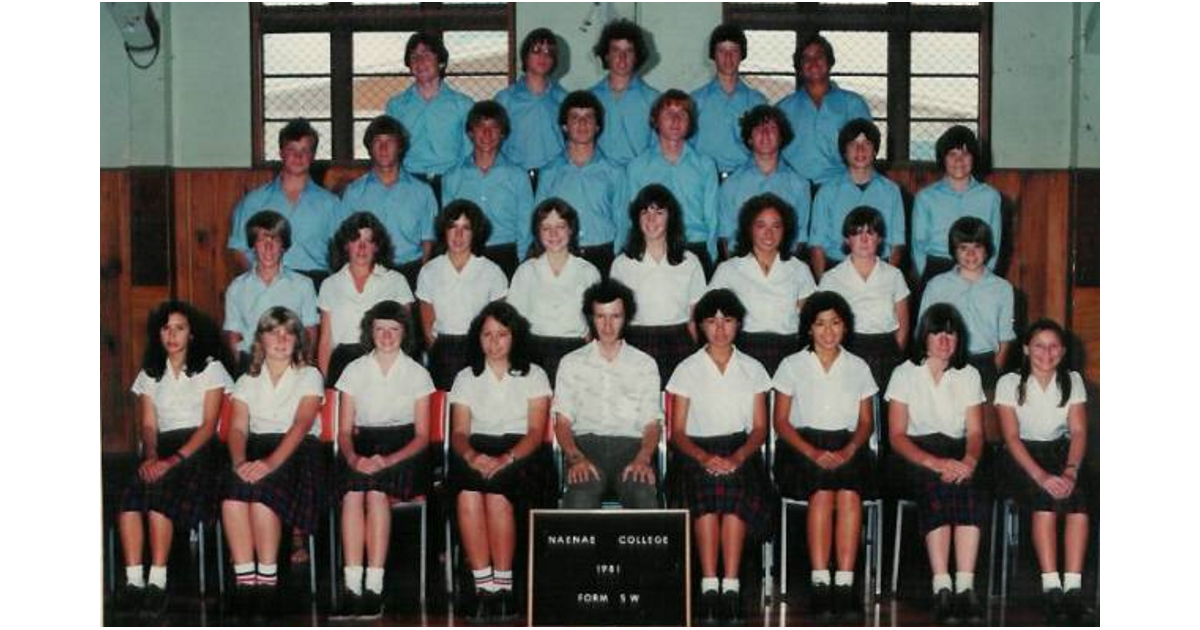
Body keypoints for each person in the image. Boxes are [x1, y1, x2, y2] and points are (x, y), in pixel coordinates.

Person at [115, 301, 232, 619]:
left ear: (191, 334)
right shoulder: (150, 372)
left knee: (158, 500)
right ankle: (134, 582)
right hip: (161, 448)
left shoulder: (211, 368)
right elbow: (150, 426)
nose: (172, 335)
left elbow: (209, 426)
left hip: (198, 449)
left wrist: (172, 461)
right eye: (166, 328)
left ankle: (157, 581)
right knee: (130, 499)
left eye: (179, 328)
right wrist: (152, 456)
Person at [666, 289, 773, 624]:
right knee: (705, 496)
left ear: (738, 324)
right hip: (695, 452)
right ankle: (708, 585)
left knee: (736, 494)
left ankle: (732, 585)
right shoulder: (686, 368)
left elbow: (759, 429)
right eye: (711, 321)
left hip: (740, 450)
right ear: (700, 326)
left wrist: (737, 458)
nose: (720, 328)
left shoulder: (753, 368)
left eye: (727, 321)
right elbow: (677, 433)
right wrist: (704, 458)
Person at [448, 301, 556, 621]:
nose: (494, 343)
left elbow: (536, 432)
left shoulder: (534, 374)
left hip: (521, 450)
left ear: (515, 337)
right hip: (475, 447)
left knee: (497, 494)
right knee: (467, 494)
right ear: (477, 338)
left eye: (502, 334)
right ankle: (483, 586)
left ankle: (504, 585)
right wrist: (472, 456)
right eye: (487, 335)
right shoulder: (466, 376)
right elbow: (458, 432)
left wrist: (507, 458)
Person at [772, 291, 876, 618]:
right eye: (820, 324)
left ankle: (844, 585)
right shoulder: (791, 365)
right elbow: (781, 422)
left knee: (848, 494)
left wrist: (848, 450)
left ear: (845, 328)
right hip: (800, 447)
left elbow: (866, 422)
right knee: (820, 491)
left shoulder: (859, 366)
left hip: (849, 446)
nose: (828, 331)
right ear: (808, 329)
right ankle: (819, 583)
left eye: (835, 323)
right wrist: (812, 451)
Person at [885, 303, 986, 624]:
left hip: (958, 450)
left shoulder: (968, 374)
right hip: (915, 452)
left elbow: (975, 431)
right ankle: (942, 585)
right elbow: (897, 436)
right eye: (937, 332)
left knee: (970, 488)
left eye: (951, 333)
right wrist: (933, 462)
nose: (944, 340)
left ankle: (965, 588)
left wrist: (969, 460)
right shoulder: (904, 373)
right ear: (924, 337)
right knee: (936, 487)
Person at [332, 301, 434, 619]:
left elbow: (422, 437)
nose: (386, 336)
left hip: (405, 450)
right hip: (362, 445)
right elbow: (345, 432)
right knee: (351, 492)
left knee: (376, 492)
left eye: (394, 329)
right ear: (370, 332)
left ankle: (374, 588)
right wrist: (352, 458)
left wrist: (387, 461)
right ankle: (352, 587)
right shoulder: (353, 370)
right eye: (380, 329)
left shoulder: (417, 373)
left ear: (405, 333)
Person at [222, 307, 326, 614]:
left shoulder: (309, 375)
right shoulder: (247, 379)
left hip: (296, 449)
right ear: (261, 340)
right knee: (233, 497)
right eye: (273, 332)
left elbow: (301, 425)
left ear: (298, 340)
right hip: (254, 447)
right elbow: (238, 428)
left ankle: (268, 583)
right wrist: (240, 463)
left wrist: (269, 464)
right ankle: (245, 583)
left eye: (288, 332)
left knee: (264, 496)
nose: (281, 339)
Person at [996, 319, 1091, 623]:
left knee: (1078, 502)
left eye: (1053, 346)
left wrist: (1071, 472)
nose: (1046, 353)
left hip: (1060, 453)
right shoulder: (1009, 383)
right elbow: (1010, 437)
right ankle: (1051, 587)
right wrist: (1042, 476)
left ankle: (1072, 589)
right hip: (1021, 456)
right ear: (1026, 348)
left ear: (1062, 351)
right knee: (1045, 502)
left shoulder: (1072, 380)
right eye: (1039, 345)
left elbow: (1077, 432)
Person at [553, 279, 662, 509]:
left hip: (632, 447)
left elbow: (652, 424)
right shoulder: (571, 363)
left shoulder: (645, 364)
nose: (608, 326)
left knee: (643, 495)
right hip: (585, 446)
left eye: (615, 316)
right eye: (600, 316)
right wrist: (575, 458)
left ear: (626, 318)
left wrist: (643, 458)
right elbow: (562, 423)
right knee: (580, 496)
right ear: (591, 318)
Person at [920, 216, 1014, 441]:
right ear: (954, 251)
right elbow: (923, 332)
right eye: (963, 248)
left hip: (985, 363)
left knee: (987, 433)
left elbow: (1005, 338)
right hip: (947, 363)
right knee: (949, 429)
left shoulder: (1002, 288)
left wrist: (994, 368)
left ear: (988, 250)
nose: (971, 254)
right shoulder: (937, 285)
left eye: (977, 247)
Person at [609, 184, 706, 388]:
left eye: (659, 212)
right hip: (636, 341)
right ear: (637, 218)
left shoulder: (690, 261)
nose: (651, 219)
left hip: (679, 341)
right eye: (645, 212)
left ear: (671, 218)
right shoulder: (622, 263)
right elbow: (616, 317)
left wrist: (698, 355)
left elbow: (694, 318)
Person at [709, 193, 816, 375]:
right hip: (743, 352)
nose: (768, 233)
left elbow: (810, 320)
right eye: (761, 225)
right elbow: (710, 317)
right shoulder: (728, 269)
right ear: (749, 229)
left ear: (785, 230)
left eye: (776, 226)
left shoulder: (800, 269)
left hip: (789, 353)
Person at [226, 119, 339, 284]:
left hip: (316, 283)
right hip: (267, 281)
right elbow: (238, 248)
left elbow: (342, 250)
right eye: (291, 149)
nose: (298, 156)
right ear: (281, 153)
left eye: (305, 150)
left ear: (313, 156)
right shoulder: (254, 202)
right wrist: (260, 280)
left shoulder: (331, 204)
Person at [623, 89, 721, 274]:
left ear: (690, 122)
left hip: (694, 246)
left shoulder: (705, 165)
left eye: (682, 114)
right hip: (652, 249)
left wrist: (710, 256)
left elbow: (712, 217)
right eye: (668, 113)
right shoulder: (637, 167)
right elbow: (633, 217)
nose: (676, 120)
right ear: (655, 120)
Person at [416, 200, 509, 391]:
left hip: (479, 349)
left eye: (466, 228)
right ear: (444, 230)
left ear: (475, 233)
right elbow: (427, 327)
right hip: (444, 351)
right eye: (453, 227)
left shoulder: (491, 271)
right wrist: (440, 351)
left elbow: (500, 322)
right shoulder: (429, 270)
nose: (458, 235)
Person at [337, 115, 438, 289]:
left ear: (400, 147)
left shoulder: (422, 191)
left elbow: (428, 240)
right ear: (369, 148)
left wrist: (421, 276)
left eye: (390, 141)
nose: (383, 148)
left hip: (410, 271)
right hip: (368, 271)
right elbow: (345, 240)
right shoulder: (354, 192)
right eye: (377, 141)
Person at [507, 198, 601, 384]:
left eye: (560, 226)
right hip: (535, 353)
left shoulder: (588, 272)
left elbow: (595, 324)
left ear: (571, 229)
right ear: (537, 232)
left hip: (576, 352)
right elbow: (514, 324)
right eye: (546, 228)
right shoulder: (526, 271)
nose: (554, 234)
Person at [316, 212, 415, 386]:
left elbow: (405, 335)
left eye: (368, 241)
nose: (362, 248)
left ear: (376, 246)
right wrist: (324, 382)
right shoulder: (330, 284)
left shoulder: (396, 281)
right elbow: (325, 340)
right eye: (356, 241)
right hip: (342, 364)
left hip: (383, 360)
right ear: (346, 245)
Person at [817, 206, 910, 390]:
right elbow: (822, 323)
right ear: (847, 239)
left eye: (871, 232)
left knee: (884, 413)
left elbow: (903, 323)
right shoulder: (831, 278)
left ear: (880, 238)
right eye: (857, 233)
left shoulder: (894, 275)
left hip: (886, 352)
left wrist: (895, 353)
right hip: (848, 350)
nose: (865, 239)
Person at [441, 100, 535, 279]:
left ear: (502, 133)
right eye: (480, 126)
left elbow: (526, 223)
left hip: (506, 253)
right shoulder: (452, 176)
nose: (487, 133)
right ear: (470, 132)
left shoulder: (517, 175)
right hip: (466, 253)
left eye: (494, 127)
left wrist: (519, 259)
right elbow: (448, 225)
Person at [534, 91, 626, 273]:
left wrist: (615, 256)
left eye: (589, 117)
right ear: (565, 126)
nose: (582, 123)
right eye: (575, 117)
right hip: (562, 254)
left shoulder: (615, 172)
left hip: (604, 255)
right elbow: (540, 220)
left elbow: (622, 220)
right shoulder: (549, 172)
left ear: (598, 126)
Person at [223, 211, 318, 375]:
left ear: (283, 246)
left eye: (275, 239)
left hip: (291, 363)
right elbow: (233, 335)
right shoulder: (237, 288)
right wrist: (246, 369)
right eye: (261, 240)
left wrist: (302, 367)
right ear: (253, 245)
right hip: (252, 364)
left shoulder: (303, 285)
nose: (269, 247)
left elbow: (310, 331)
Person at [809, 119, 905, 279]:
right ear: (844, 152)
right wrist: (824, 286)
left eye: (866, 143)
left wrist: (888, 280)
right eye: (853, 143)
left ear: (875, 150)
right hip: (838, 269)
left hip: (880, 269)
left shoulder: (891, 191)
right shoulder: (827, 192)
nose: (860, 149)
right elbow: (817, 246)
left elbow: (897, 243)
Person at [384, 31, 474, 198]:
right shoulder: (396, 106)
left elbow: (470, 155)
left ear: (440, 62)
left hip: (452, 185)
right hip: (409, 186)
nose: (420, 61)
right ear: (409, 65)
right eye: (414, 56)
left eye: (426, 55)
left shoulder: (463, 105)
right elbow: (390, 153)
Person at [717, 105, 811, 261]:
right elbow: (726, 237)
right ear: (749, 138)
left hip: (784, 264)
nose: (765, 133)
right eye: (758, 128)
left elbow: (799, 238)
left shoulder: (800, 185)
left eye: (772, 128)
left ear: (781, 137)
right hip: (742, 264)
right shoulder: (731, 185)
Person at [777, 34, 872, 186]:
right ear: (799, 67)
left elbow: (866, 151)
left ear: (829, 61)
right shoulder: (783, 109)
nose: (813, 62)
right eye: (806, 58)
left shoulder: (853, 105)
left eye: (819, 56)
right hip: (795, 190)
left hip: (842, 188)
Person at [911, 125, 1003, 283]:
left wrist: (985, 278)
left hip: (977, 267)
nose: (959, 160)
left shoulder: (990, 197)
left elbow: (994, 243)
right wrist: (928, 279)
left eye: (965, 154)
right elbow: (918, 245)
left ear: (974, 158)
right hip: (938, 268)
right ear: (942, 158)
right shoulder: (925, 198)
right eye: (952, 154)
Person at [690, 23, 768, 176]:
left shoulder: (757, 102)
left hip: (745, 180)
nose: (728, 57)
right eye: (722, 51)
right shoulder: (696, 101)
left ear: (742, 55)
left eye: (734, 50)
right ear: (713, 55)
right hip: (706, 179)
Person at [495, 27, 568, 178]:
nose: (543, 56)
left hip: (555, 177)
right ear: (525, 56)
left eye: (549, 52)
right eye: (536, 50)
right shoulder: (505, 99)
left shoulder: (564, 99)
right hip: (515, 176)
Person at [589, 18, 660, 167]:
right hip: (599, 179)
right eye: (616, 50)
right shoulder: (589, 98)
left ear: (636, 56)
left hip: (639, 179)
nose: (622, 57)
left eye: (629, 50)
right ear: (606, 55)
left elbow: (658, 149)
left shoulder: (653, 99)